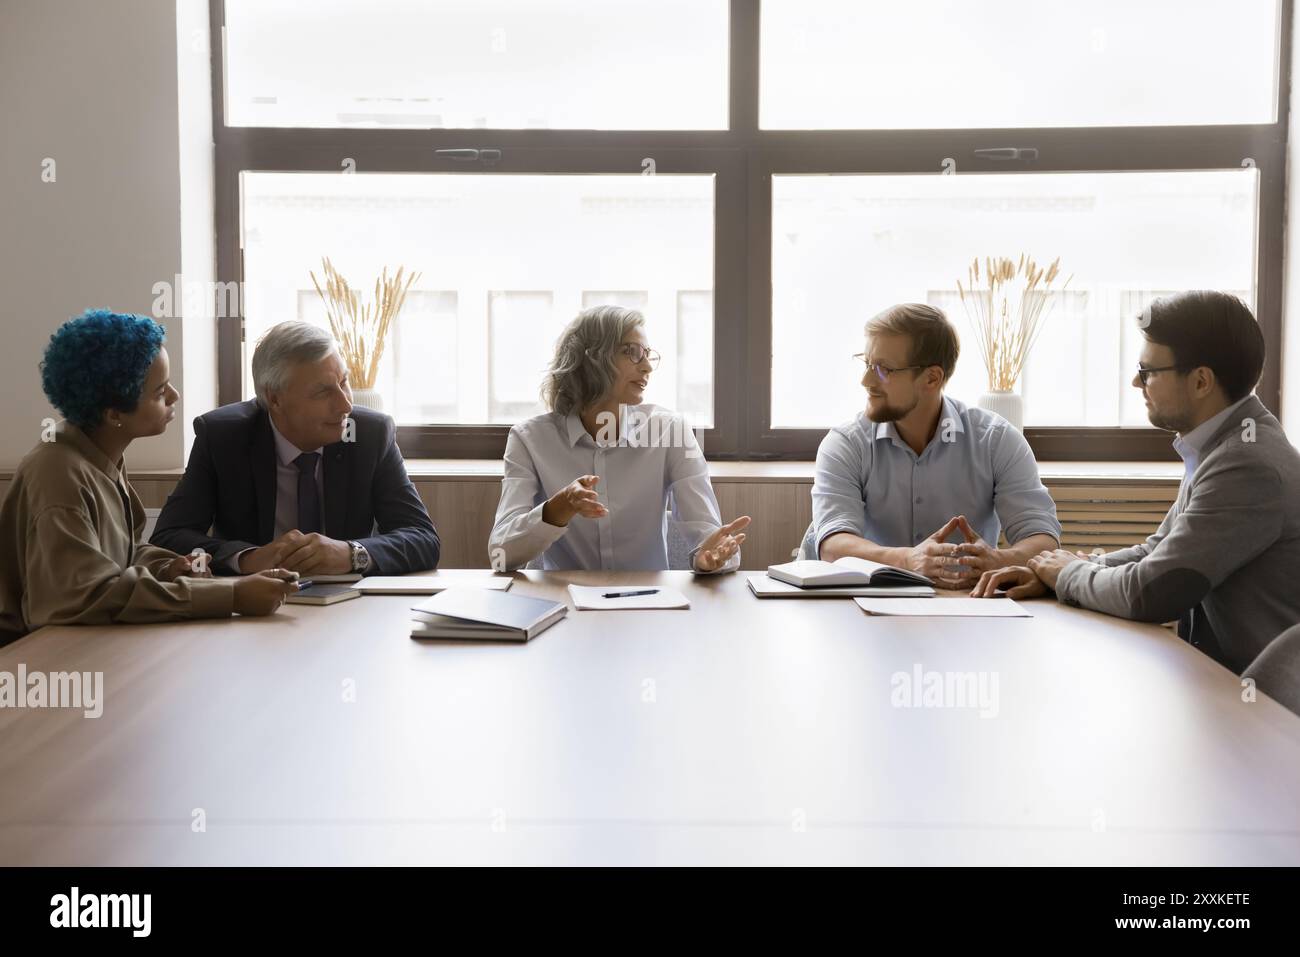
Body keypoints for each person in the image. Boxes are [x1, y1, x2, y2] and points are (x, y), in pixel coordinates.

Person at [972, 291, 1300, 673]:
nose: (1134, 382)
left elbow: (1152, 591)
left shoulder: (1246, 465)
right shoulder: (1222, 445)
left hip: (1261, 700)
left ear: (1201, 381)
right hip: (1220, 682)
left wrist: (1067, 574)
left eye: (1148, 372)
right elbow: (1156, 552)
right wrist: (1051, 573)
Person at [0, 310, 297, 642]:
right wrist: (231, 596)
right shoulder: (59, 474)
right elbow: (77, 598)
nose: (174, 396)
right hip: (30, 656)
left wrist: (167, 566)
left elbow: (118, 557)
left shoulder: (97, 452)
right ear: (114, 413)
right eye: (159, 392)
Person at [150, 321, 439, 576]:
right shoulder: (223, 437)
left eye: (344, 382)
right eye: (323, 391)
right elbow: (168, 538)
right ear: (275, 399)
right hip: (250, 602)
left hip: (351, 603)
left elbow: (423, 538)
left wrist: (351, 554)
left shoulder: (370, 434)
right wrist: (247, 559)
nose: (345, 405)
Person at [806, 303, 1060, 587]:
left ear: (931, 378)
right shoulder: (846, 444)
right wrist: (908, 560)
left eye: (883, 369)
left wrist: (999, 560)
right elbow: (832, 546)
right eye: (867, 364)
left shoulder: (996, 440)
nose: (865, 380)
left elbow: (1043, 539)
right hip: (867, 599)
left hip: (970, 604)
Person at [489, 305, 749, 571]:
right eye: (631, 352)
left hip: (650, 596)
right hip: (564, 596)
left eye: (647, 354)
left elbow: (711, 539)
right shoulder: (529, 440)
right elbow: (500, 555)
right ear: (591, 358)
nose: (647, 367)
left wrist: (713, 559)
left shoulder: (671, 431)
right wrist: (559, 507)